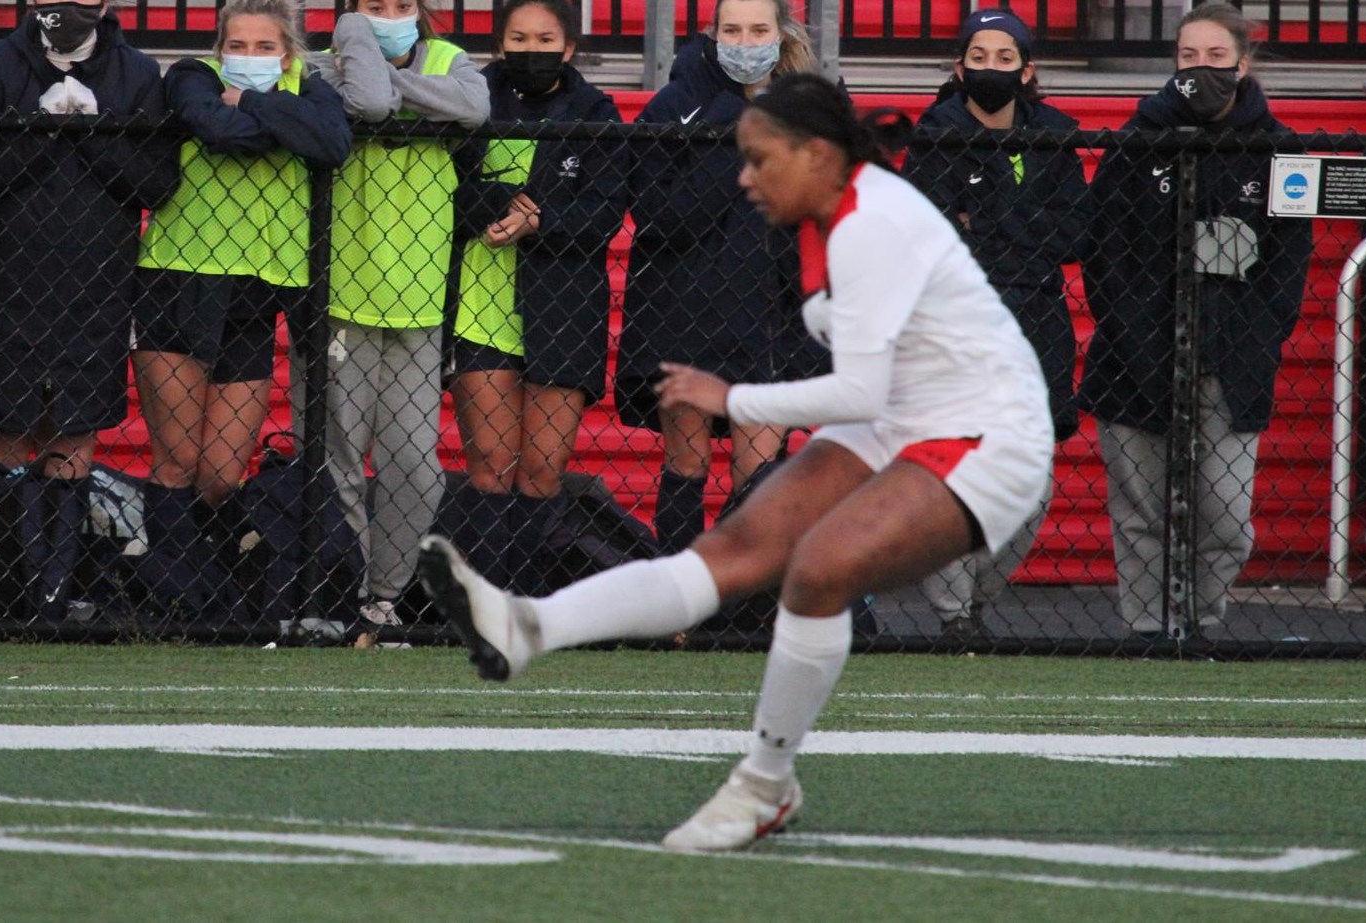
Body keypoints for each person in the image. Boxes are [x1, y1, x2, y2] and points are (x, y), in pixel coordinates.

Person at [419, 74, 1053, 852]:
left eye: (757, 160)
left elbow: (859, 387)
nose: (743, 176)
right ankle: (527, 626)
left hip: (989, 431)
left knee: (817, 567)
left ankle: (763, 783)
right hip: (902, 418)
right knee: (728, 553)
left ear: (816, 154)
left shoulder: (868, 222)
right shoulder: (826, 211)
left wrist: (731, 397)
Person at [1079, 2, 1313, 641]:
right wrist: (1134, 335)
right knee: (1140, 513)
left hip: (1230, 363)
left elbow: (1288, 266)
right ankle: (1148, 631)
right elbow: (1104, 251)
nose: (1201, 69)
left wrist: (1254, 339)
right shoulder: (1136, 140)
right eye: (1188, 57)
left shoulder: (1279, 149)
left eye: (1215, 57)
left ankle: (1200, 623)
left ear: (1243, 62)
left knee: (1224, 519)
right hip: (1135, 358)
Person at [0, 0, 178, 617]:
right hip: (1, 282)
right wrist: (41, 127)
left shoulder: (136, 73)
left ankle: (56, 589)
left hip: (95, 284)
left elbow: (154, 184)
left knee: (73, 442)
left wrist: (92, 131)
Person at [134, 0, 352, 607]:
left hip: (259, 289)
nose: (249, 58)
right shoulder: (191, 77)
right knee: (175, 460)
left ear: (288, 52)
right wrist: (282, 124)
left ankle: (214, 588)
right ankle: (177, 599)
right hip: (177, 278)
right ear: (219, 45)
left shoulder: (312, 88)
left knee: (223, 473)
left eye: (265, 48)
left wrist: (255, 103)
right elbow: (216, 130)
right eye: (239, 46)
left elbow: (332, 143)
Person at [295, 0, 489, 633]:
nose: (389, 15)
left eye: (401, 5)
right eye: (372, 8)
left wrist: (380, 77)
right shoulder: (323, 69)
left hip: (420, 297)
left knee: (416, 468)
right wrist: (363, 60)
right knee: (335, 462)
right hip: (336, 295)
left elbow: (471, 108)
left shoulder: (450, 59)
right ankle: (341, 596)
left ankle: (383, 594)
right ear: (349, 15)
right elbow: (373, 108)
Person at [902, 8, 1087, 639]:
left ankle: (977, 595)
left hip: (1037, 327)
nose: (990, 69)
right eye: (977, 57)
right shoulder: (934, 137)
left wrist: (987, 223)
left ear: (1027, 69)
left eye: (1004, 58)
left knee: (1030, 485)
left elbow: (1073, 235)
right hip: (952, 332)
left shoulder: (1057, 136)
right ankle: (955, 617)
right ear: (959, 66)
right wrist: (1017, 231)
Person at [618, 0, 826, 555]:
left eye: (758, 30)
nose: (744, 41)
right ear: (711, 35)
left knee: (759, 473)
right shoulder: (675, 105)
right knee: (685, 462)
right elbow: (662, 215)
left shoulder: (812, 113)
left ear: (780, 36)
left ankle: (745, 607)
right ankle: (678, 607)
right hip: (685, 313)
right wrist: (737, 126)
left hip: (771, 320)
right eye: (731, 30)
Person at [437, 0, 627, 595]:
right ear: (500, 43)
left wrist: (539, 223)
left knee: (543, 469)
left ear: (569, 47)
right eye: (517, 38)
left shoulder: (597, 112)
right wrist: (497, 206)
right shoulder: (469, 97)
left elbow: (604, 213)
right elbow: (443, 189)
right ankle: (484, 601)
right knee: (491, 467)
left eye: (545, 38)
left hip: (562, 303)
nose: (530, 49)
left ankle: (527, 602)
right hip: (479, 298)